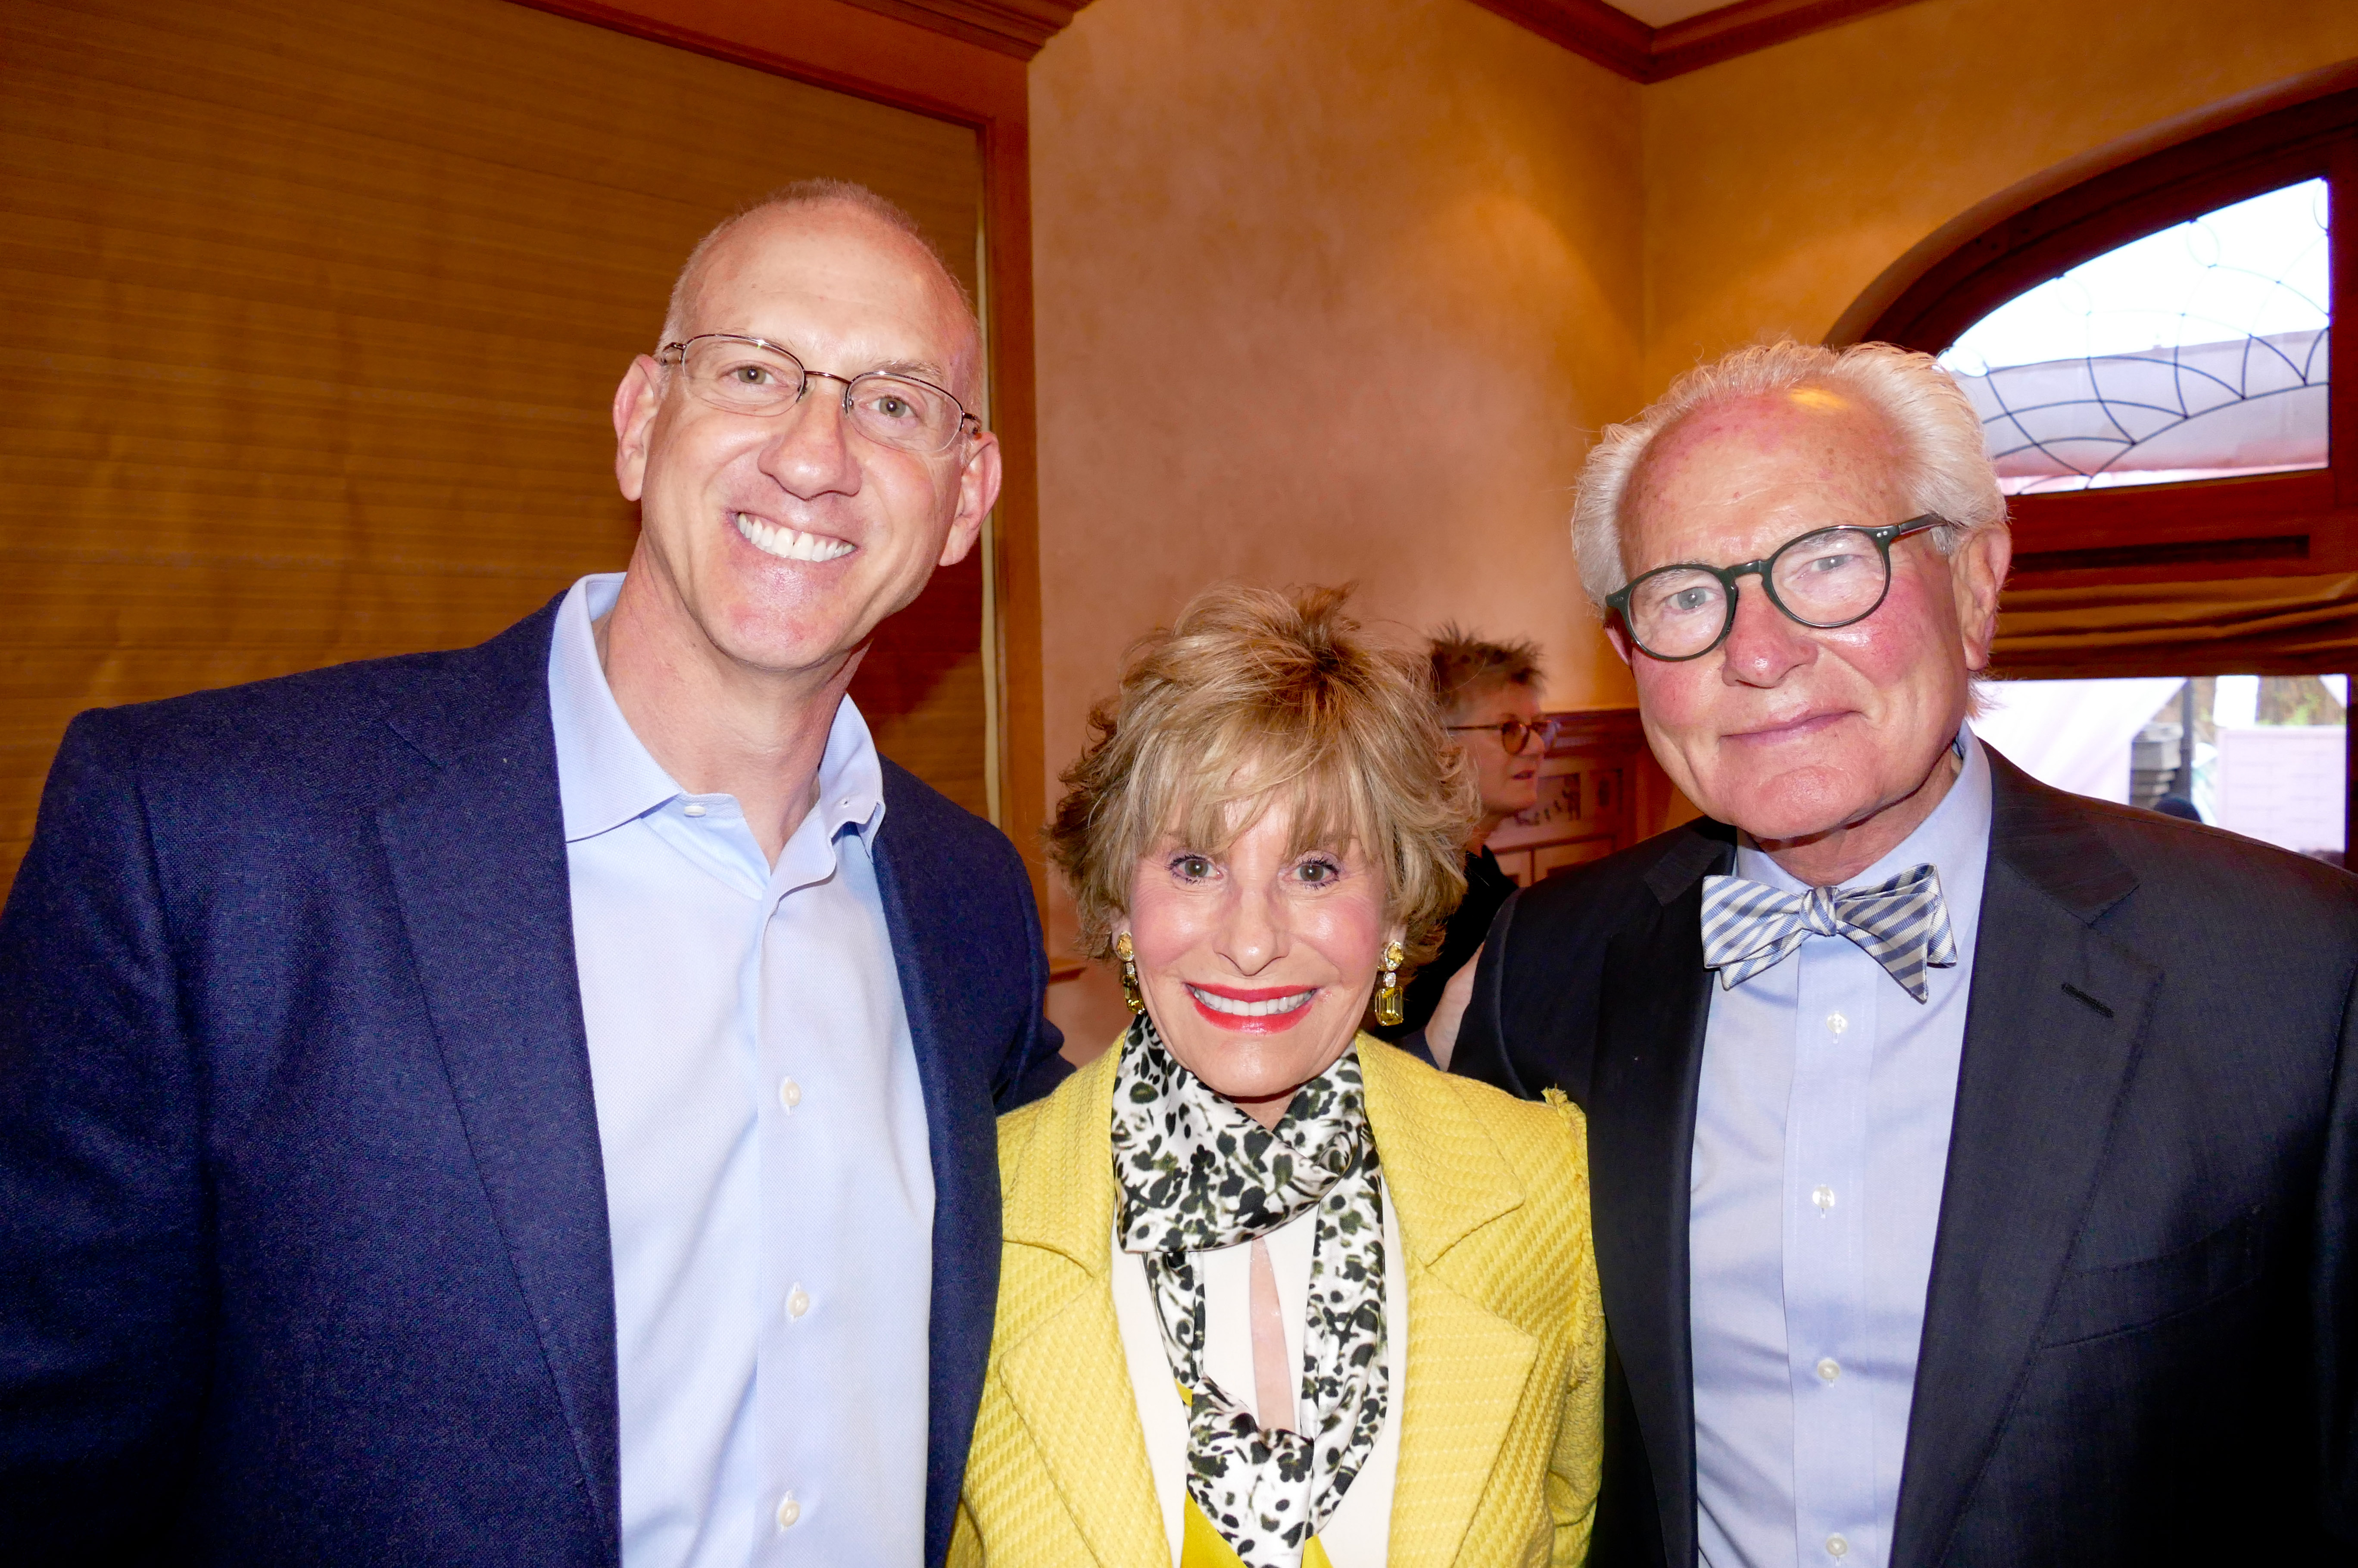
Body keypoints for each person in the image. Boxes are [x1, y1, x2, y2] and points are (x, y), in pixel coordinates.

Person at [0, 181, 1066, 1566]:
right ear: (640, 423)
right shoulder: (211, 843)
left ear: (965, 499)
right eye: (755, 372)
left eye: (896, 404)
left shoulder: (970, 899)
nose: (817, 454)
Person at [1446, 341, 2358, 1566]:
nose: (1757, 652)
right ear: (1630, 661)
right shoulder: (1543, 969)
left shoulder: (2290, 975)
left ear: (1976, 586)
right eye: (1682, 595)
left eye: (1831, 562)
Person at [952, 585, 1604, 1567]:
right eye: (1193, 866)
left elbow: (1572, 1524)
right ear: (1121, 903)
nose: (1250, 942)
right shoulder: (973, 1215)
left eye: (1313, 870)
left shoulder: (1542, 1185)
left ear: (1392, 912)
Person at [1369, 627, 1552, 1051]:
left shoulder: (1485, 877)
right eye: (1510, 728)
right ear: (1437, 745)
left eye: (1538, 726)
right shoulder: (1406, 889)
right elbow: (1385, 1032)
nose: (1538, 746)